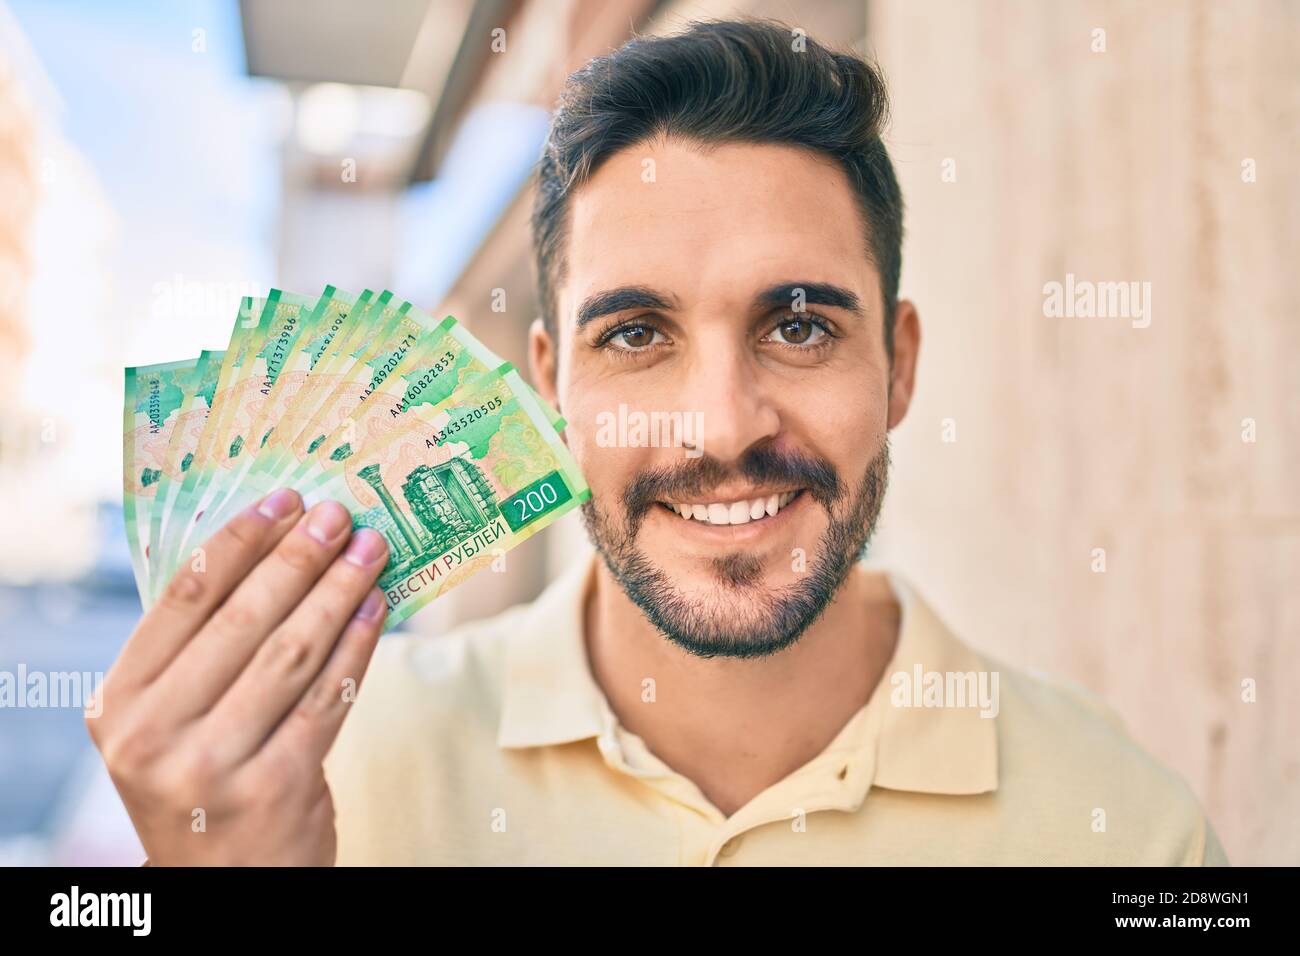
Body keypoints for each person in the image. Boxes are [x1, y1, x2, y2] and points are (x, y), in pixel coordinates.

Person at [89, 18, 1228, 866]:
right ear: (548, 387)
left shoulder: (1127, 828)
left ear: (901, 366)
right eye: (636, 332)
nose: (722, 426)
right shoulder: (320, 775)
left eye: (798, 326)